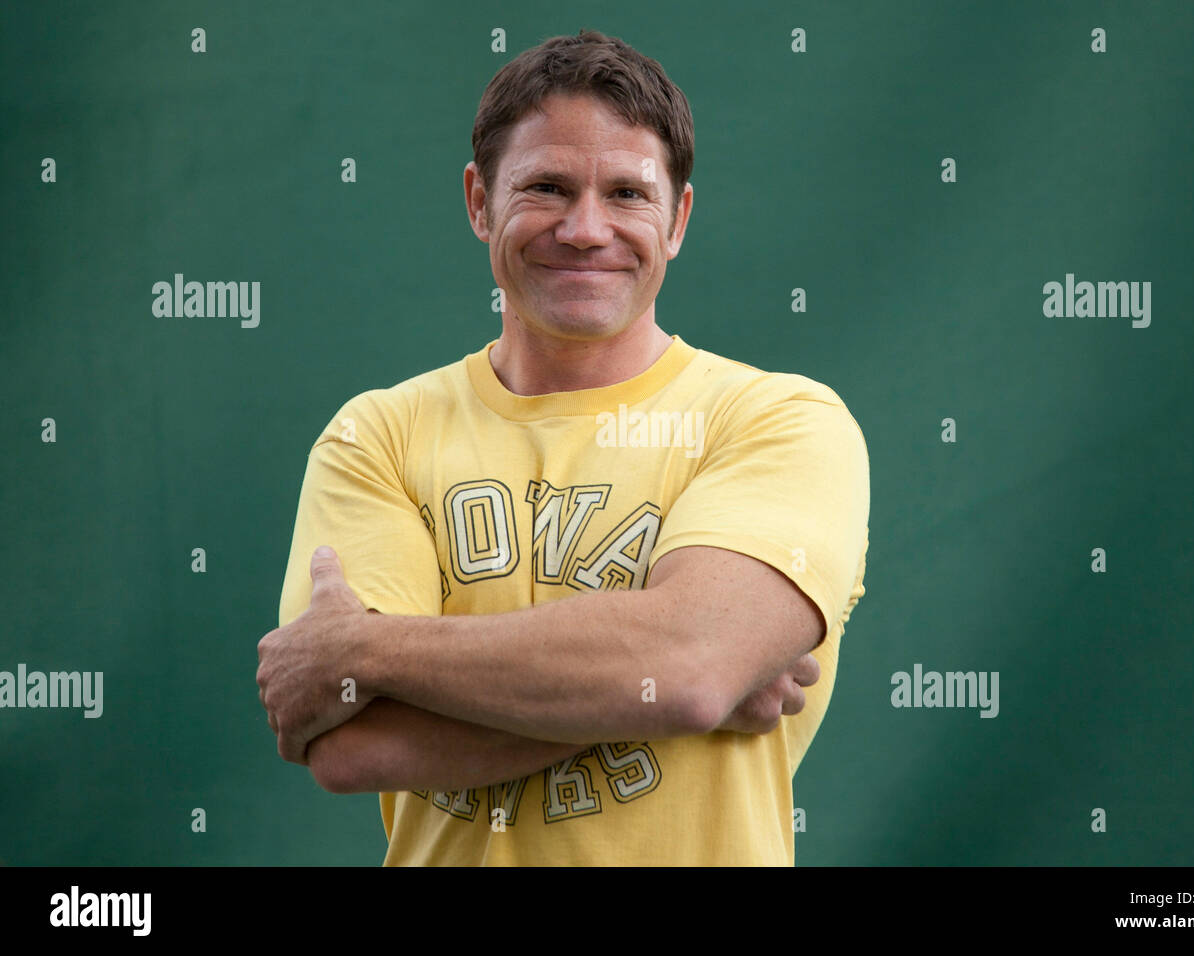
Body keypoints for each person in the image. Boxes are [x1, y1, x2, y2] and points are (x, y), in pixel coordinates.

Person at [257, 29, 870, 866]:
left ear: (679, 217)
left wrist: (364, 649)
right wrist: (657, 685)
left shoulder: (781, 420)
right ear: (479, 202)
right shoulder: (376, 437)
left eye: (627, 193)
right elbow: (356, 745)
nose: (586, 230)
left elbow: (688, 667)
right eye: (546, 187)